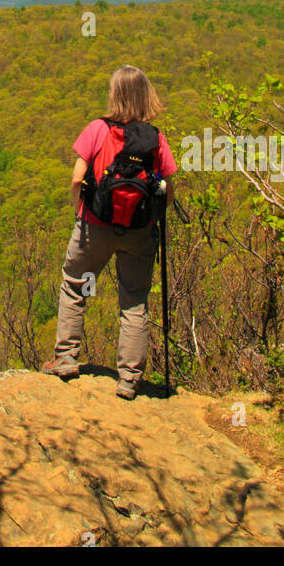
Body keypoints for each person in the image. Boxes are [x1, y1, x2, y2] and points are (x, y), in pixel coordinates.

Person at [42, 65, 177, 399]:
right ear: (146, 96)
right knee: (133, 299)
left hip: (96, 228)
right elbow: (167, 189)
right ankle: (129, 379)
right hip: (138, 232)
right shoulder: (155, 139)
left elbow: (77, 178)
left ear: (115, 94)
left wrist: (81, 211)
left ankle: (66, 359)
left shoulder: (97, 130)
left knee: (77, 286)